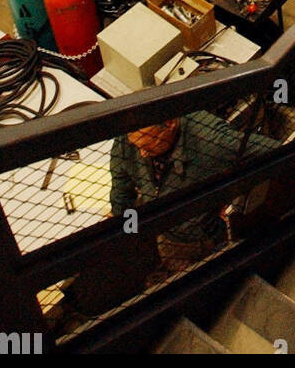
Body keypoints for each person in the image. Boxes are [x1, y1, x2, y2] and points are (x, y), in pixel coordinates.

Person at [109, 110, 280, 275]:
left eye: (147, 145)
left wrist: (240, 193)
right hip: (168, 237)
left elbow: (277, 151)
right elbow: (121, 193)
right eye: (137, 146)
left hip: (211, 237)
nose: (142, 153)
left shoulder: (213, 141)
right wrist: (129, 234)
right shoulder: (127, 140)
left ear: (170, 124)